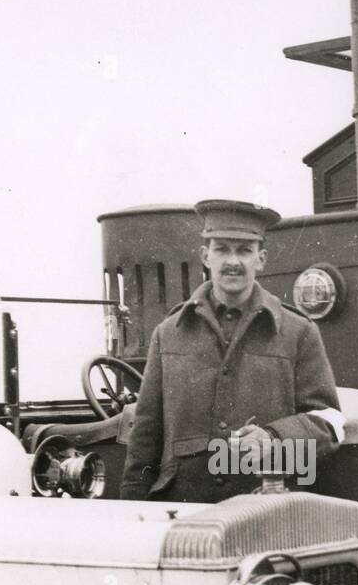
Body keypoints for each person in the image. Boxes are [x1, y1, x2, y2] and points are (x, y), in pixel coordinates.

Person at [120, 200, 343, 503]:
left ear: (261, 259)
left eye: (244, 250)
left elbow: (329, 422)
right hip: (185, 513)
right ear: (205, 256)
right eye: (222, 249)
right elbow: (145, 439)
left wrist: (275, 439)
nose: (233, 261)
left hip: (267, 510)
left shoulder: (298, 332)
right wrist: (134, 511)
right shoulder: (168, 334)